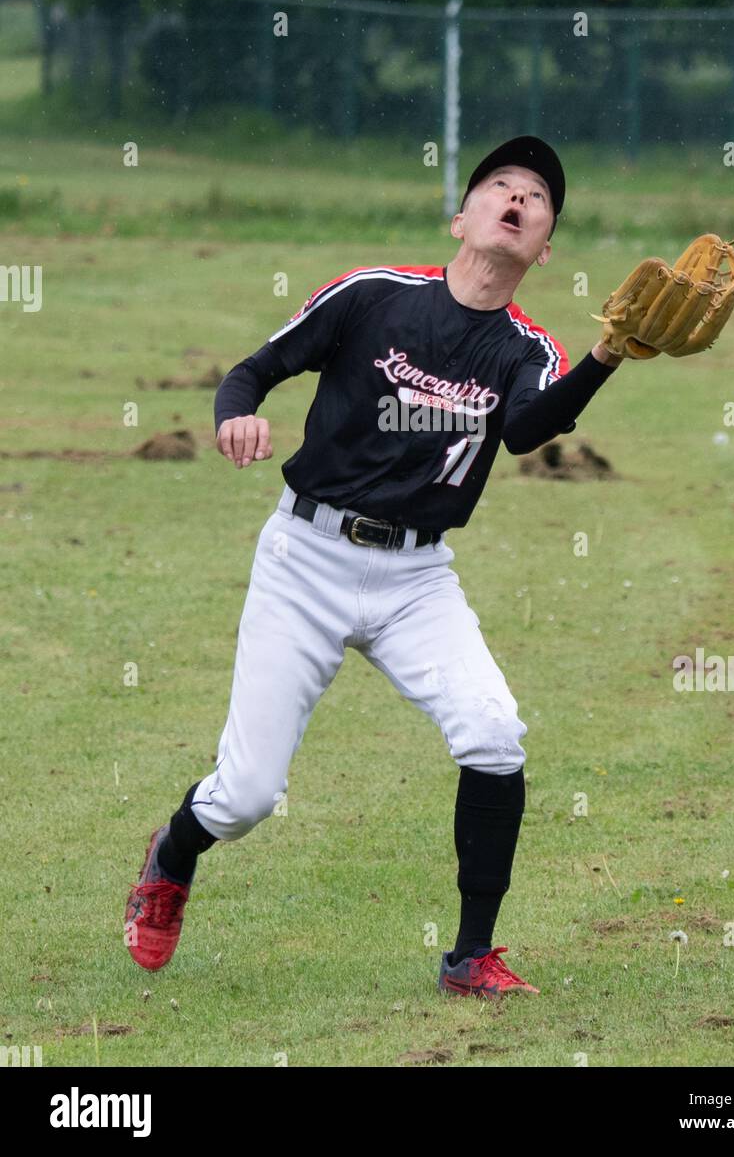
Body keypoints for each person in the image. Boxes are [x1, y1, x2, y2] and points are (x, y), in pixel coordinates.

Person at [124, 135, 624, 997]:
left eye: (536, 197)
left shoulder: (527, 349)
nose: (516, 197)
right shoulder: (374, 296)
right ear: (460, 217)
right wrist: (233, 418)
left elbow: (526, 429)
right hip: (305, 558)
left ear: (545, 247)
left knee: (495, 735)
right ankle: (174, 853)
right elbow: (254, 370)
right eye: (498, 185)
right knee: (244, 796)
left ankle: (471, 956)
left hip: (415, 578)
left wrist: (607, 357)